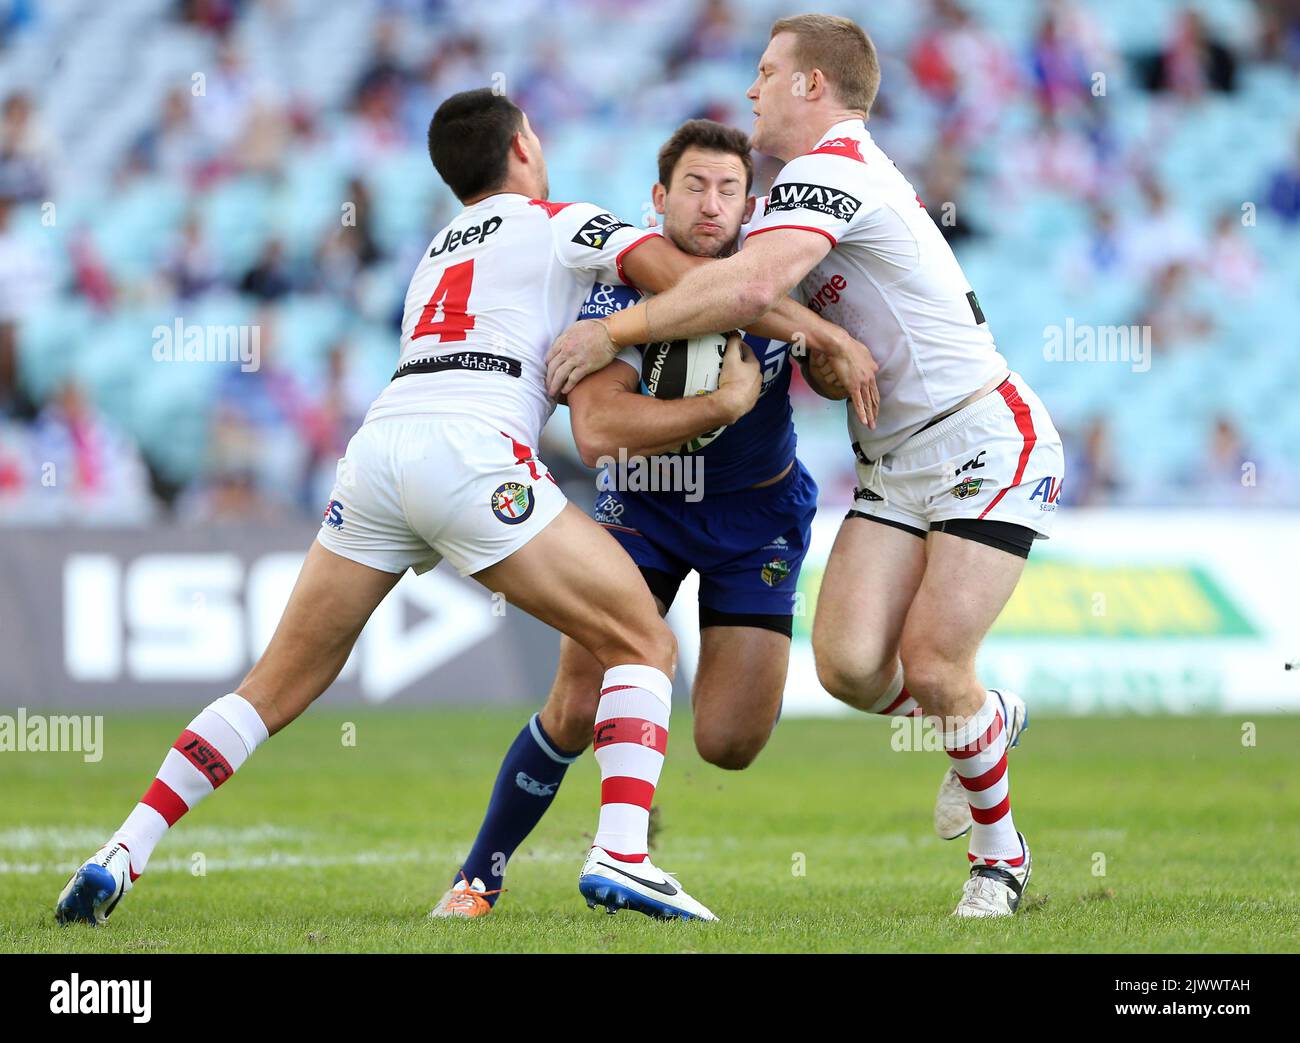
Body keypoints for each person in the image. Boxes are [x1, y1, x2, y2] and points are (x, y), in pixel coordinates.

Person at [55, 88, 871, 927]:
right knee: (644, 639)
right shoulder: (561, 220)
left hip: (379, 449)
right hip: (473, 448)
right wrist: (821, 333)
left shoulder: (437, 248)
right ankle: (623, 854)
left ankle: (123, 847)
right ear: (522, 145)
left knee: (272, 685)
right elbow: (706, 287)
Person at [547, 14, 1066, 918]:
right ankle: (985, 720)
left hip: (984, 437)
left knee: (936, 659)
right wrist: (829, 352)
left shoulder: (835, 168)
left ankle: (999, 857)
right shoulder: (800, 189)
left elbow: (747, 289)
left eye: (765, 70)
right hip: (894, 460)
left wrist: (612, 328)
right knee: (852, 667)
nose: (752, 88)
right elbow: (811, 340)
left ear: (810, 86)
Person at [434, 118, 902, 917]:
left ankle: (630, 813)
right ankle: (480, 876)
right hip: (642, 506)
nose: (711, 204)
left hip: (756, 518)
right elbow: (600, 431)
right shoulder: (613, 290)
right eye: (694, 186)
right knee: (577, 702)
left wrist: (827, 361)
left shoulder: (771, 286)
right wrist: (720, 404)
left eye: (728, 189)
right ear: (659, 198)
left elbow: (829, 376)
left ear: (750, 205)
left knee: (728, 741)